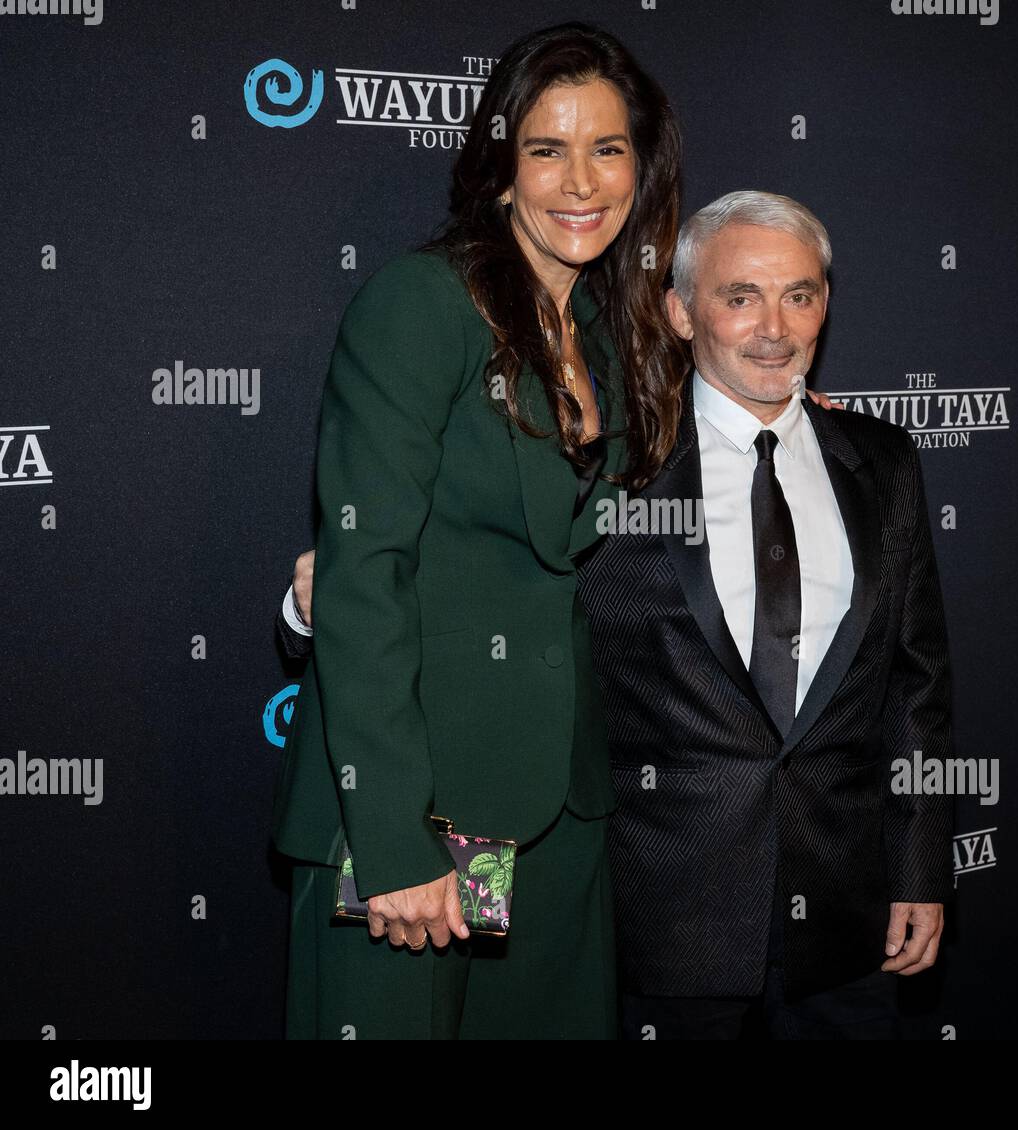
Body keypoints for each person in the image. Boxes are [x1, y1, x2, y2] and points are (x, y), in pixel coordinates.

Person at [278, 192, 956, 1040]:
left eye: (801, 294)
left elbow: (916, 685)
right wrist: (327, 597)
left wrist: (921, 867)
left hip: (848, 929)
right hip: (655, 932)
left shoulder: (884, 461)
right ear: (678, 309)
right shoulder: (613, 462)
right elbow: (484, 587)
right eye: (739, 296)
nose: (774, 328)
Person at [269, 21, 687, 1039]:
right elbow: (363, 571)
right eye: (546, 148)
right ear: (501, 167)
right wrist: (395, 839)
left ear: (642, 167)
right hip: (427, 812)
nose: (578, 180)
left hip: (555, 812)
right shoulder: (425, 305)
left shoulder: (607, 331)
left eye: (607, 148)